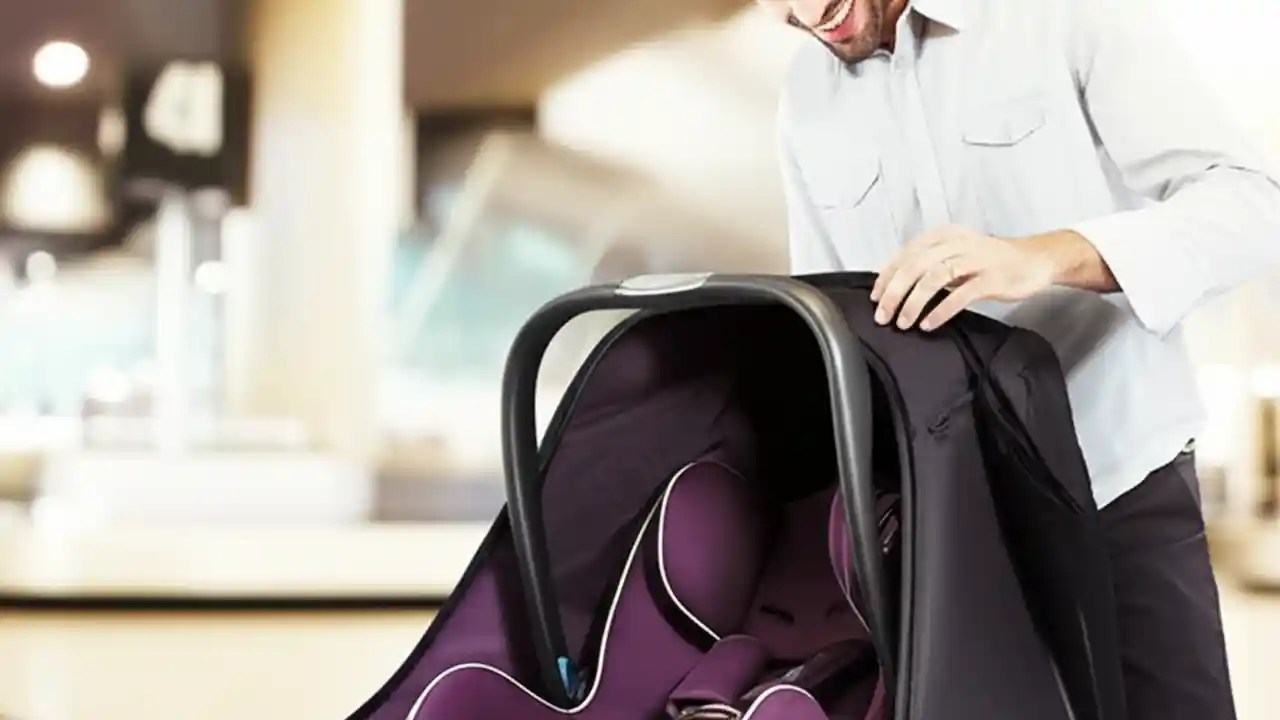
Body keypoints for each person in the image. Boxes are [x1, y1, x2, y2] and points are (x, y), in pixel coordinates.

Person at [761, 0, 1280, 717]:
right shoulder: (804, 100)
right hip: (949, 528)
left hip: (1118, 483)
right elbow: (832, 322)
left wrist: (1045, 256)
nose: (803, 13)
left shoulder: (1061, 14)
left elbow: (1254, 207)